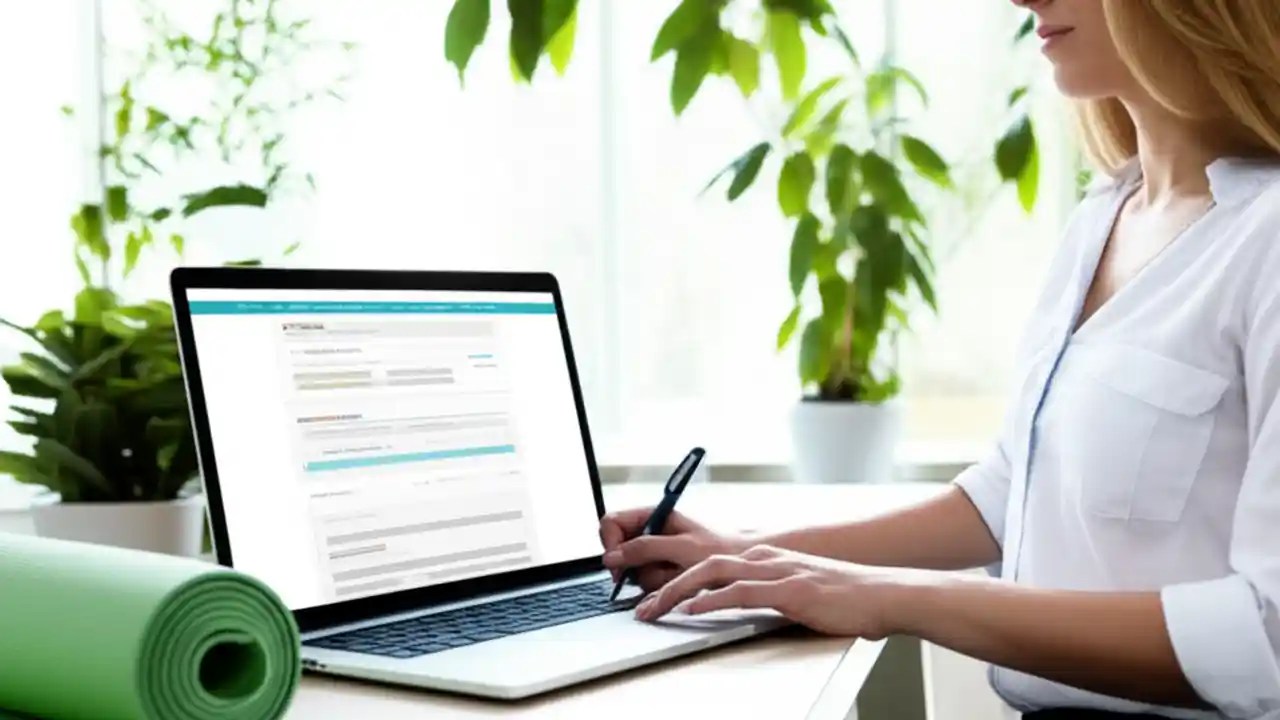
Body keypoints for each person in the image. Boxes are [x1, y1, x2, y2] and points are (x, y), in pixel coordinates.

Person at [600, 1, 1280, 717]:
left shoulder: (1266, 240)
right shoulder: (1105, 215)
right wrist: (749, 554)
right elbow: (1007, 494)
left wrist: (893, 598)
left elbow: (1265, 636)